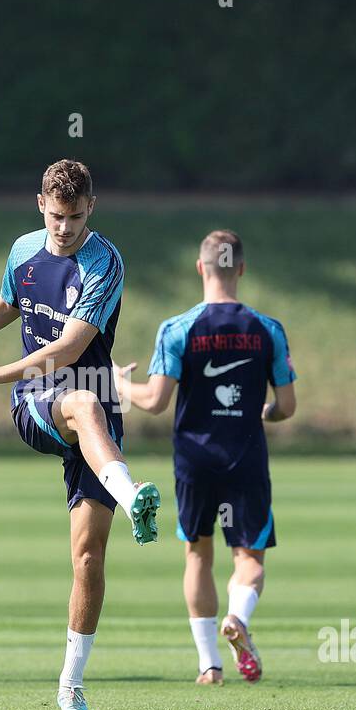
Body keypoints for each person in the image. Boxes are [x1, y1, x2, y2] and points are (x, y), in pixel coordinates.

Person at [0, 159, 160, 710]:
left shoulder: (105, 263)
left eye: (73, 217)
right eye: (54, 215)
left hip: (86, 394)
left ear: (90, 207)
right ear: (39, 204)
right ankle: (131, 490)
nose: (63, 228)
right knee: (83, 402)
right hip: (38, 399)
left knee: (89, 558)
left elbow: (70, 349)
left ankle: (71, 688)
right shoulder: (24, 251)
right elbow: (6, 304)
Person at [114, 230, 295, 685]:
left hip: (194, 458)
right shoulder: (267, 329)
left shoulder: (178, 328)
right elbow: (288, 407)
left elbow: (155, 401)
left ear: (201, 268)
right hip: (246, 456)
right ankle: (239, 617)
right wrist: (263, 412)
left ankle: (208, 665)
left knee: (197, 554)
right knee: (248, 558)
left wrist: (119, 386)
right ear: (241, 270)